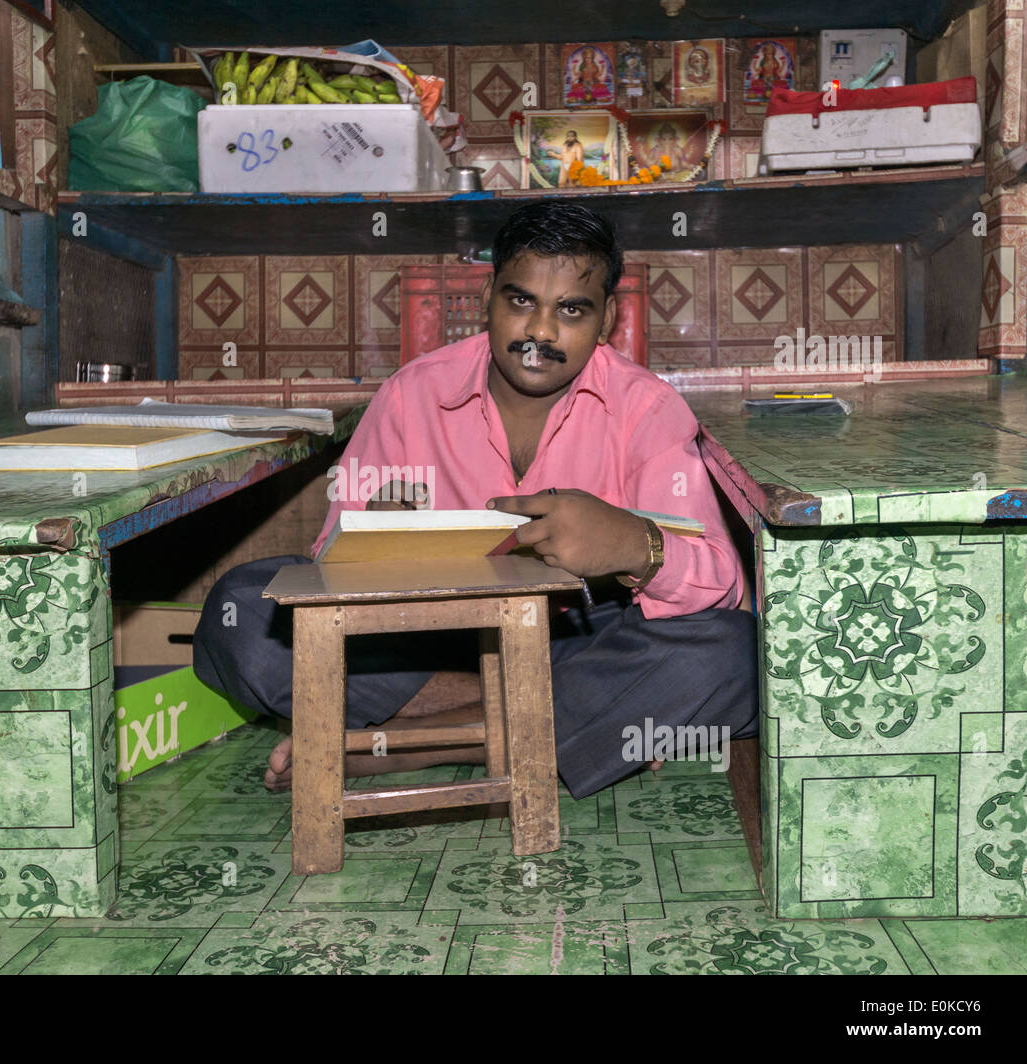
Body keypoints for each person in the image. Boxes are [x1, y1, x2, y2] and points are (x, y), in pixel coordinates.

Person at [192, 201, 758, 798]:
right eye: (521, 301)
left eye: (571, 309)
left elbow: (724, 583)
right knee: (244, 612)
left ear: (608, 317)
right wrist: (367, 542)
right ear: (488, 297)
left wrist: (635, 546)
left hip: (583, 633)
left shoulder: (648, 409)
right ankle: (554, 725)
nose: (540, 332)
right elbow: (325, 572)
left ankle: (403, 748)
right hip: (436, 640)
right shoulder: (413, 395)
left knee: (736, 653)